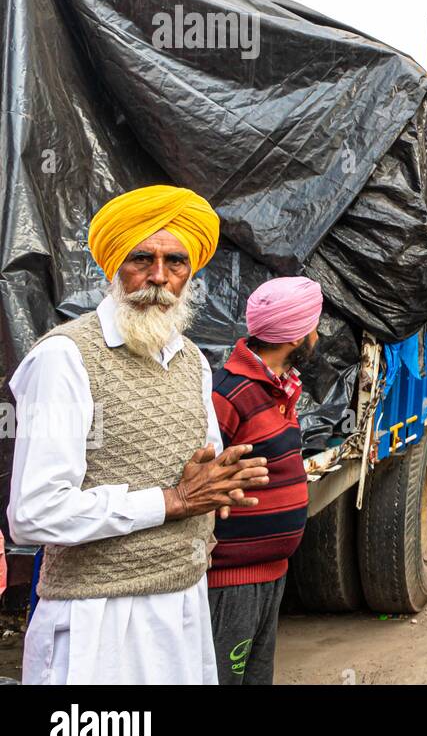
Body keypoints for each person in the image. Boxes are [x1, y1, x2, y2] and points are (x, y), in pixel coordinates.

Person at [7, 185, 269, 684]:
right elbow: (33, 514)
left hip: (184, 604)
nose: (159, 277)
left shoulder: (191, 361)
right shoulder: (64, 358)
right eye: (141, 258)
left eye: (176, 263)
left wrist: (219, 484)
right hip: (97, 621)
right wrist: (171, 499)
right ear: (113, 266)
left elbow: (202, 476)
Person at [206, 276, 319, 685]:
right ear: (295, 337)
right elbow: (200, 479)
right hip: (233, 582)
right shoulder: (228, 394)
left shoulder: (279, 390)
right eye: (313, 327)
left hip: (271, 572)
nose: (317, 336)